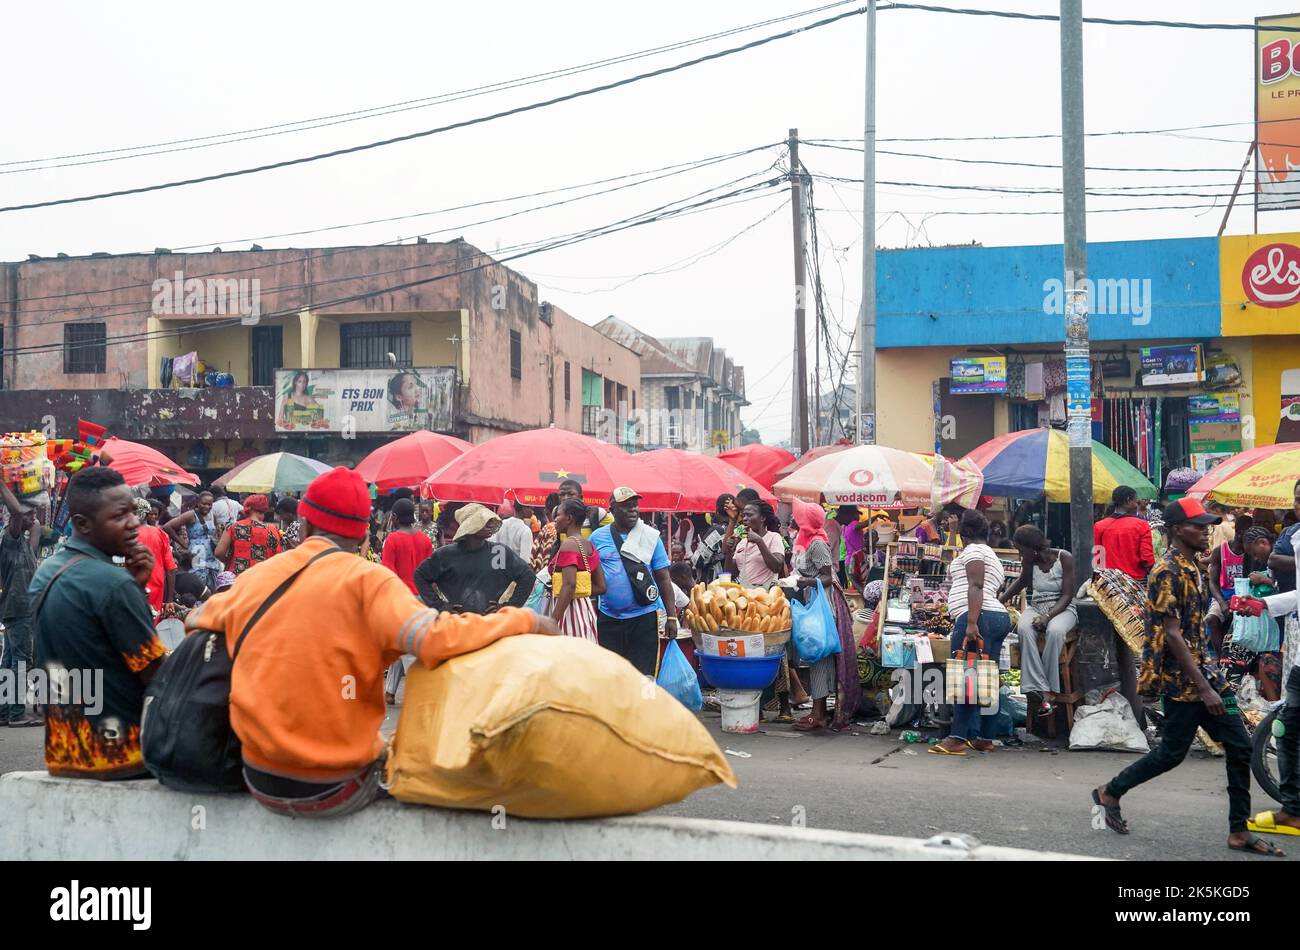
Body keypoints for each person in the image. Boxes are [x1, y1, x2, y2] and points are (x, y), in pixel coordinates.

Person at [186, 466, 556, 817]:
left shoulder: (258, 578)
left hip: (258, 774)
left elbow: (194, 622)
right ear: (364, 535)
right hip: (335, 783)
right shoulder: (369, 582)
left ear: (302, 523)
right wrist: (522, 618)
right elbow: (437, 640)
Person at [1092, 499, 1282, 856]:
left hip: (1204, 672)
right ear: (1179, 529)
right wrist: (1204, 688)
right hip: (1184, 680)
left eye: (1208, 524)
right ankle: (1110, 791)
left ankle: (1238, 831)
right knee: (1171, 753)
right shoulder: (1167, 571)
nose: (1206, 530)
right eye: (1199, 525)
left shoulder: (1192, 566)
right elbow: (1173, 634)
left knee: (1240, 748)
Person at [30, 467, 166, 779]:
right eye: (120, 516)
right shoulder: (113, 584)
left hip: (63, 754)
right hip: (121, 756)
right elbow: (155, 675)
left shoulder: (47, 571)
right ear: (83, 524)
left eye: (134, 512)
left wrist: (133, 587)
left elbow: (89, 643)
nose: (134, 523)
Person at [930, 510, 1010, 756]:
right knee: (986, 679)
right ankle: (984, 737)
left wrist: (972, 622)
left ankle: (957, 738)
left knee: (966, 676)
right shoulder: (990, 555)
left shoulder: (974, 552)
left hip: (978, 616)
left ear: (966, 534)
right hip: (996, 616)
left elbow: (976, 585)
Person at [787, 499, 861, 733]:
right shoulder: (802, 540)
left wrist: (806, 581)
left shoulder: (817, 542)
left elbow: (828, 576)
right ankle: (817, 710)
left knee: (819, 655)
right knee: (814, 656)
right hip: (810, 599)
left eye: (798, 518)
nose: (794, 520)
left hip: (822, 603)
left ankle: (818, 713)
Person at [590, 487, 678, 676]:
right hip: (609, 620)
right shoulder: (597, 538)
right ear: (612, 508)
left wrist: (671, 617)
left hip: (644, 619)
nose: (633, 510)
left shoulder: (650, 536)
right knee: (612, 675)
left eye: (635, 505)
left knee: (643, 677)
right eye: (626, 506)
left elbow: (663, 578)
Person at [1000, 525, 1076, 717]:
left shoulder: (1064, 558)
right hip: (1036, 607)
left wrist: (1048, 617)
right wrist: (998, 601)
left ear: (1031, 547)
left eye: (1020, 549)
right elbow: (1021, 582)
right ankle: (1036, 687)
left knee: (1055, 632)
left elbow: (1067, 595)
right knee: (1024, 629)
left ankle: (1048, 689)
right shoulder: (1029, 562)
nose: (1018, 554)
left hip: (1062, 608)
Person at [414, 503, 535, 613]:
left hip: (489, 624)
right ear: (470, 527)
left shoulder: (498, 552)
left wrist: (508, 607)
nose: (489, 526)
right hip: (458, 624)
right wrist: (440, 606)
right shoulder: (446, 554)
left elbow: (527, 576)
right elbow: (420, 575)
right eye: (483, 522)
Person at [1219, 526, 1281, 700]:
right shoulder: (1270, 559)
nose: (1255, 558)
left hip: (1281, 624)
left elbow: (1290, 590)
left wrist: (1266, 580)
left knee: (1269, 664)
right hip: (1269, 620)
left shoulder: (1281, 558)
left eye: (1255, 553)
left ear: (1262, 542)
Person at [0, 482, 43, 727]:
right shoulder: (10, 540)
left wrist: (29, 499)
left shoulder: (26, 545)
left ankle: (4, 710)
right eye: (30, 513)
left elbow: (34, 524)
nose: (33, 517)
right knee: (22, 661)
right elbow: (16, 513)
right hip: (18, 609)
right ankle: (17, 714)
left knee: (9, 661)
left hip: (18, 608)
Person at [548, 497, 607, 640]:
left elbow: (569, 584)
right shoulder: (588, 545)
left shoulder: (568, 544)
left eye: (559, 515)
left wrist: (552, 621)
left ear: (569, 518)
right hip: (585, 612)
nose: (555, 519)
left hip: (568, 614)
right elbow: (601, 586)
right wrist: (579, 591)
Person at [1205, 513, 1257, 654]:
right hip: (1224, 594)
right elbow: (1213, 582)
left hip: (1246, 595)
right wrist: (1222, 603)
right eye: (1248, 534)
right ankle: (1222, 661)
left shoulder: (1252, 553)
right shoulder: (1220, 551)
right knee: (1211, 619)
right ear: (1239, 533)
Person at [1093, 485, 1155, 581]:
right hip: (1135, 584)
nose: (1136, 506)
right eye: (1136, 502)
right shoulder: (1142, 525)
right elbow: (1147, 560)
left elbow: (1097, 559)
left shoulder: (1099, 526)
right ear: (1128, 500)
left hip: (1108, 585)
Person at [162, 490, 221, 591]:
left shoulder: (212, 515)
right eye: (204, 504)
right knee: (199, 584)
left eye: (209, 504)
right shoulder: (191, 515)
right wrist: (183, 544)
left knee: (212, 585)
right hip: (197, 555)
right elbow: (167, 527)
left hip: (211, 556)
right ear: (198, 503)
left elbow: (214, 532)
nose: (207, 507)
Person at [214, 494, 282, 574]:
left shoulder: (233, 527)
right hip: (261, 577)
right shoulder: (272, 530)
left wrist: (229, 562)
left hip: (237, 577)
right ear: (263, 511)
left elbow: (218, 552)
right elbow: (278, 557)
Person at [725, 501, 785, 588]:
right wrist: (729, 551)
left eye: (749, 515)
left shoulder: (774, 537)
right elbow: (731, 575)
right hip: (743, 594)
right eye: (743, 515)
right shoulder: (742, 542)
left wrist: (759, 541)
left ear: (762, 518)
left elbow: (777, 567)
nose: (745, 519)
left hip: (763, 594)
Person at [380, 498, 433, 595]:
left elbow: (388, 573)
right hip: (423, 598)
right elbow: (430, 573)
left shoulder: (392, 540)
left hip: (401, 597)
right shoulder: (426, 540)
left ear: (395, 517)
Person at [134, 497, 176, 613]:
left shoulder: (124, 534)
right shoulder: (161, 534)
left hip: (131, 587)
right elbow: (171, 569)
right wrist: (169, 600)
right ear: (147, 514)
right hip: (156, 588)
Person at [692, 494, 738, 583]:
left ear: (717, 511)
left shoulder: (717, 531)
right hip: (734, 582)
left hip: (715, 582)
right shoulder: (740, 529)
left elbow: (697, 561)